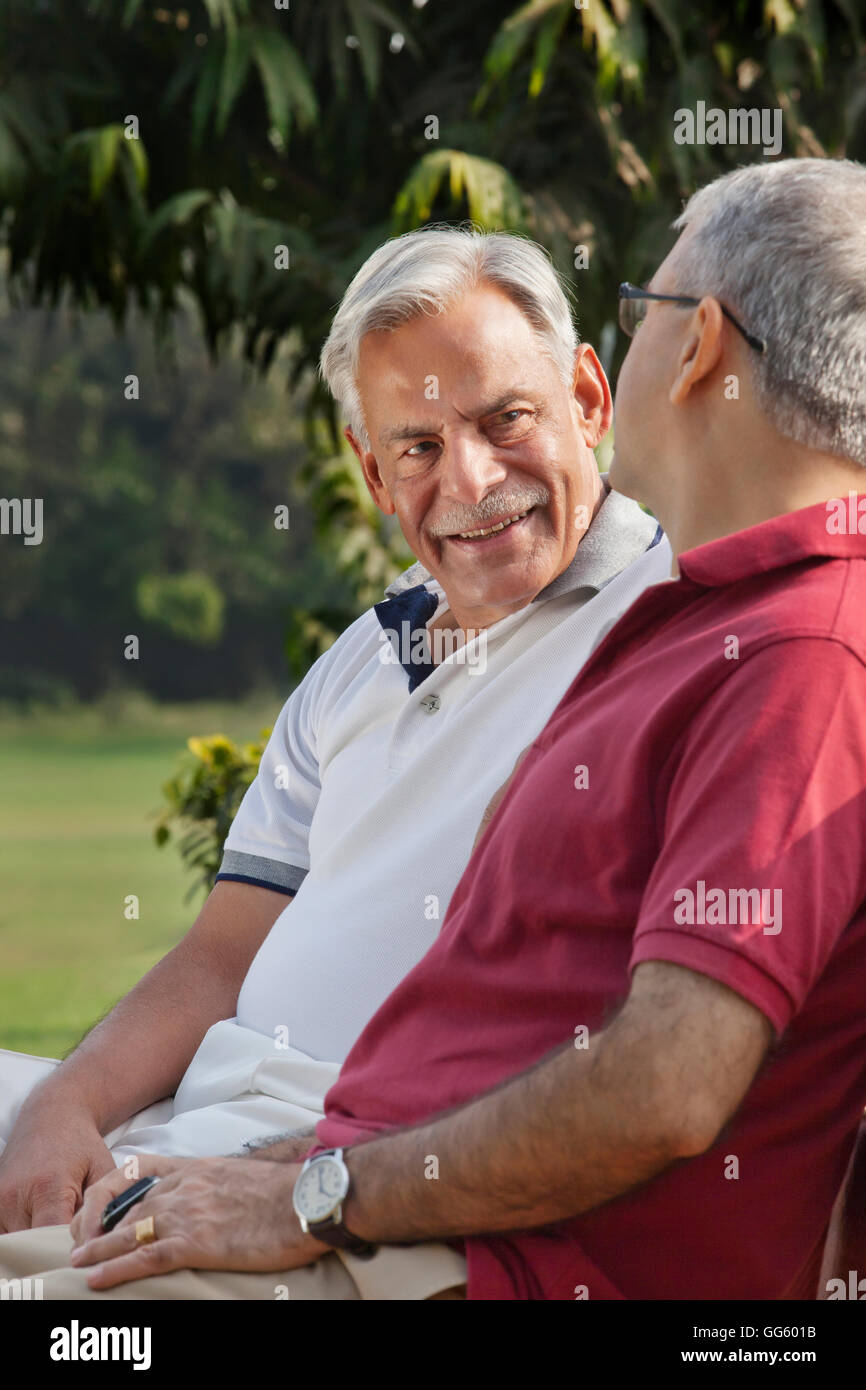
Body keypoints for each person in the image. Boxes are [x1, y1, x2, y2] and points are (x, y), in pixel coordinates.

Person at [5, 153, 861, 1303]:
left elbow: (661, 1076)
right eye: (415, 445)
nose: (468, 479)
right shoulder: (361, 661)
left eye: (506, 418)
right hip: (241, 1124)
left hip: (364, 1159)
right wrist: (64, 1105)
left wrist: (315, 1183)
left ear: (592, 399)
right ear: (369, 469)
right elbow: (220, 955)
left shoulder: (706, 622)